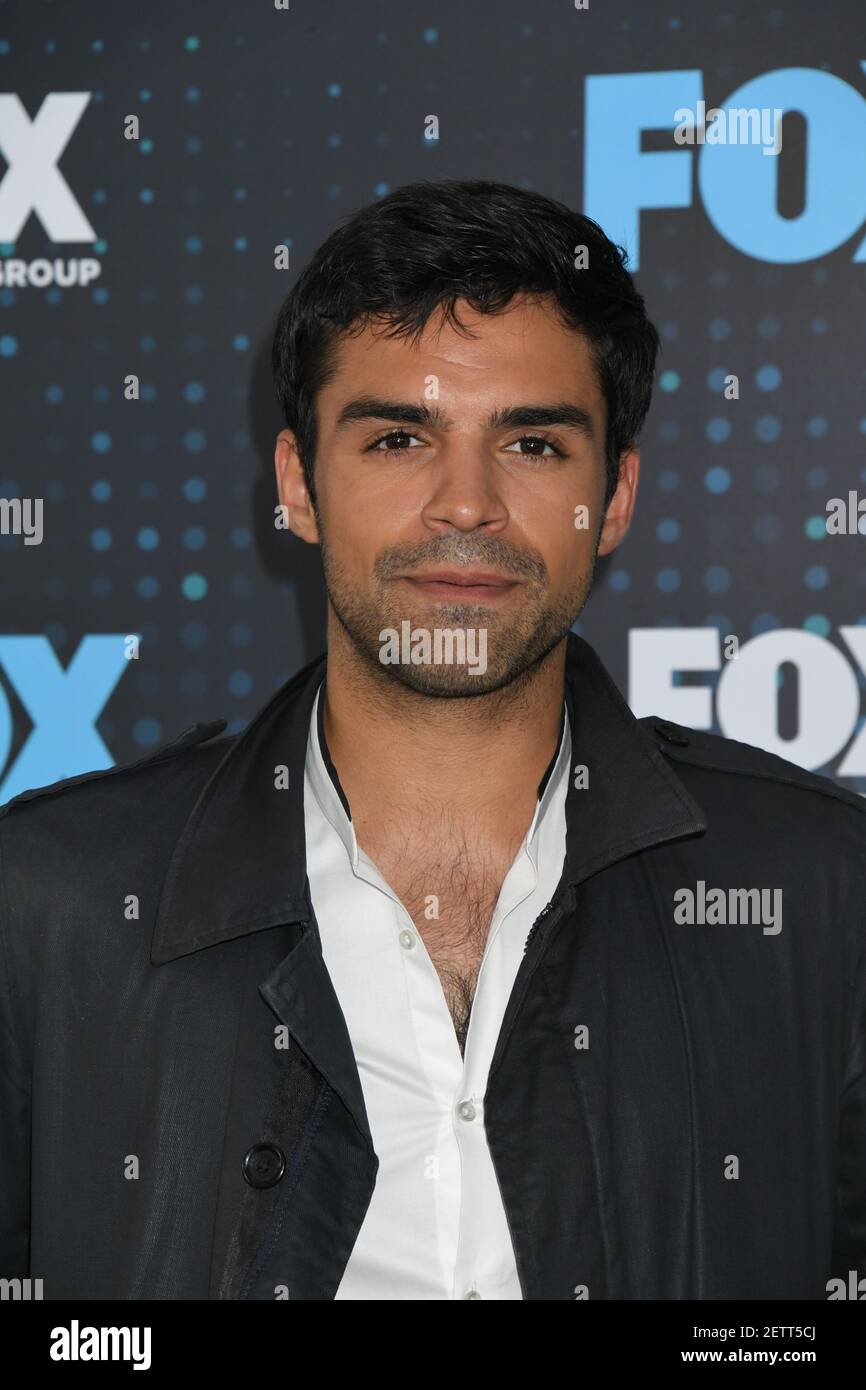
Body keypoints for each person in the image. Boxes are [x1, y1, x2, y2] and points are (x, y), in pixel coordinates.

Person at [1, 179, 863, 1300]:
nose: (465, 504)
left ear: (612, 499)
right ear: (298, 485)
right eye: (399, 437)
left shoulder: (819, 892)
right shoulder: (50, 903)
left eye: (534, 445)